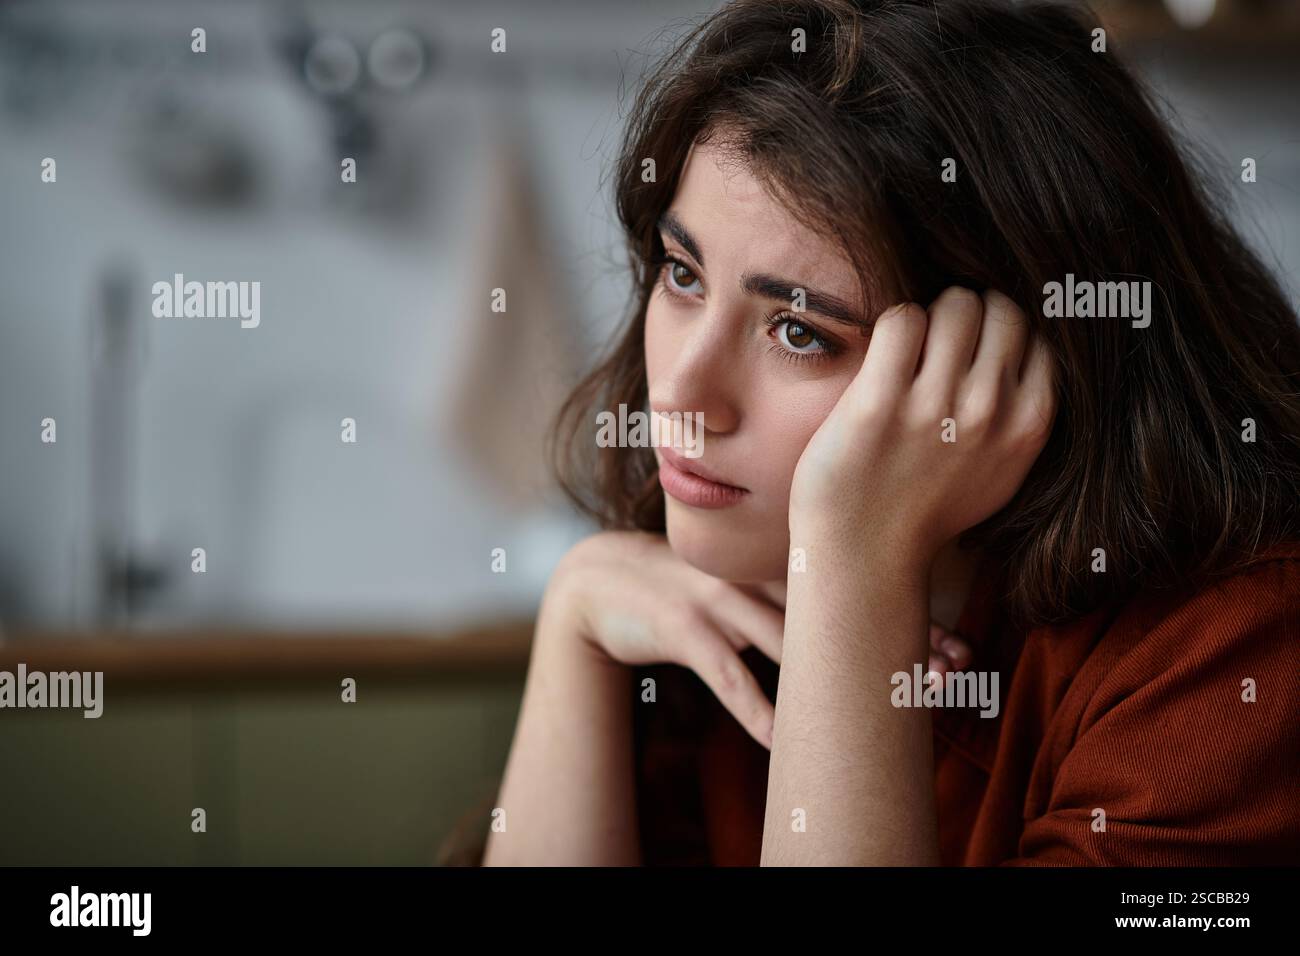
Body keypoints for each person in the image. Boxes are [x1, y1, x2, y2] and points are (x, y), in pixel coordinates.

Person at [478, 0, 1300, 866]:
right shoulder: (706, 602)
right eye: (682, 274)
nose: (680, 391)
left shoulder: (1235, 659)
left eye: (800, 331)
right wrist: (573, 627)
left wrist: (854, 560)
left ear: (1001, 367)